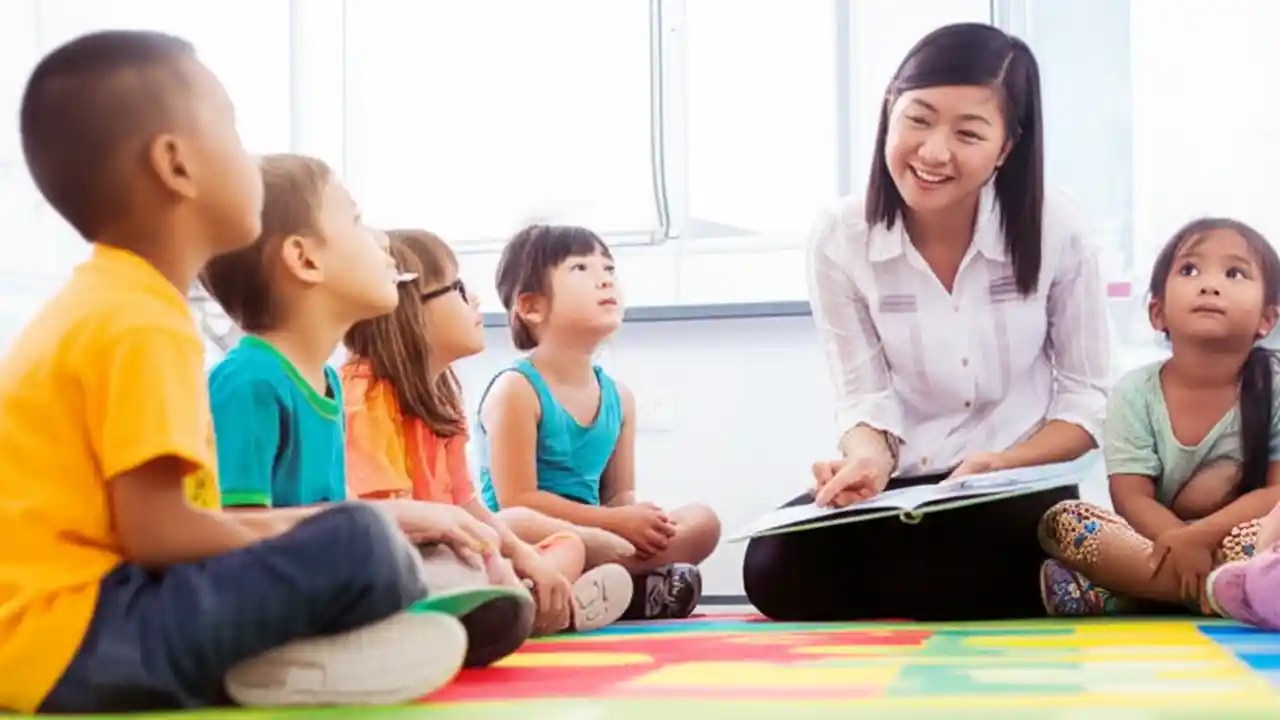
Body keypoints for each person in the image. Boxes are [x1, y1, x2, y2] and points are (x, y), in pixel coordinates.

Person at [0, 31, 495, 713]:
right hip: (85, 641)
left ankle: (298, 652)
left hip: (71, 639)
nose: (248, 155)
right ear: (176, 166)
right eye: (231, 129)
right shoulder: (139, 319)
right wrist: (302, 547)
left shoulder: (119, 304)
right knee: (357, 541)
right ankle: (287, 662)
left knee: (358, 538)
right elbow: (161, 535)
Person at [742, 22, 1109, 621]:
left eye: (968, 132)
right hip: (907, 487)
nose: (934, 152)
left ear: (1006, 148)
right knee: (773, 567)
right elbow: (863, 397)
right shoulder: (841, 237)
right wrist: (867, 462)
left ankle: (1019, 580)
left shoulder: (1056, 226)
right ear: (890, 111)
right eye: (918, 119)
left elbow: (1088, 400)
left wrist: (1001, 462)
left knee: (1001, 548)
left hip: (1012, 486)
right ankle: (1031, 590)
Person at [200, 156, 530, 668]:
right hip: (259, 595)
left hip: (324, 574)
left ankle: (410, 625)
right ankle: (296, 663)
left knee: (454, 563)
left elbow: (337, 508)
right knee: (378, 542)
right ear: (305, 260)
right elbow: (233, 529)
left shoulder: (324, 380)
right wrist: (388, 518)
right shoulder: (248, 381)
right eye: (356, 221)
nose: (380, 242)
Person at [340, 228, 635, 635]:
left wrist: (521, 558)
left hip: (450, 546)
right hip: (407, 548)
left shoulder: (440, 399)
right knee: (469, 560)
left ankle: (529, 602)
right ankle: (526, 606)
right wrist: (488, 552)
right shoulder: (366, 394)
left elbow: (467, 504)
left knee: (566, 546)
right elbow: (390, 521)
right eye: (458, 289)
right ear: (411, 309)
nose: (476, 299)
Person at [477, 224, 722, 619]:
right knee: (515, 522)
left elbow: (619, 496)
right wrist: (613, 523)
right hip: (536, 537)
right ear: (532, 307)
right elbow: (516, 499)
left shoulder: (619, 398)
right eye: (581, 268)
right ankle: (629, 586)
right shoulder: (516, 390)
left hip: (600, 533)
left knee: (702, 521)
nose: (604, 277)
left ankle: (606, 587)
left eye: (608, 267)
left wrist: (641, 520)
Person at [1040, 218, 1280, 616]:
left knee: (1266, 538)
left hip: (1242, 539)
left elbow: (1275, 493)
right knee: (1062, 520)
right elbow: (1131, 496)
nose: (1209, 284)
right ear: (1157, 312)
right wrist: (1177, 539)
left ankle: (1125, 595)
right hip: (1155, 540)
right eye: (1189, 270)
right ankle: (1228, 594)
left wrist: (1200, 537)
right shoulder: (1134, 393)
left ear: (1267, 319)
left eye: (1234, 273)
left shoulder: (1273, 387)